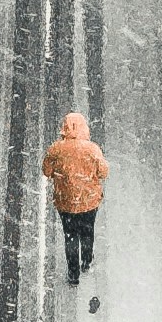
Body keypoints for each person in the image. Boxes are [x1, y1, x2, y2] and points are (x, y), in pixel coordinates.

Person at [42, 107, 108, 283]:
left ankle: (73, 273)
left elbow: (46, 171)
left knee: (70, 235)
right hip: (89, 201)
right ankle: (86, 261)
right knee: (87, 231)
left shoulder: (56, 149)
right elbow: (103, 172)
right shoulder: (92, 149)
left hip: (65, 201)